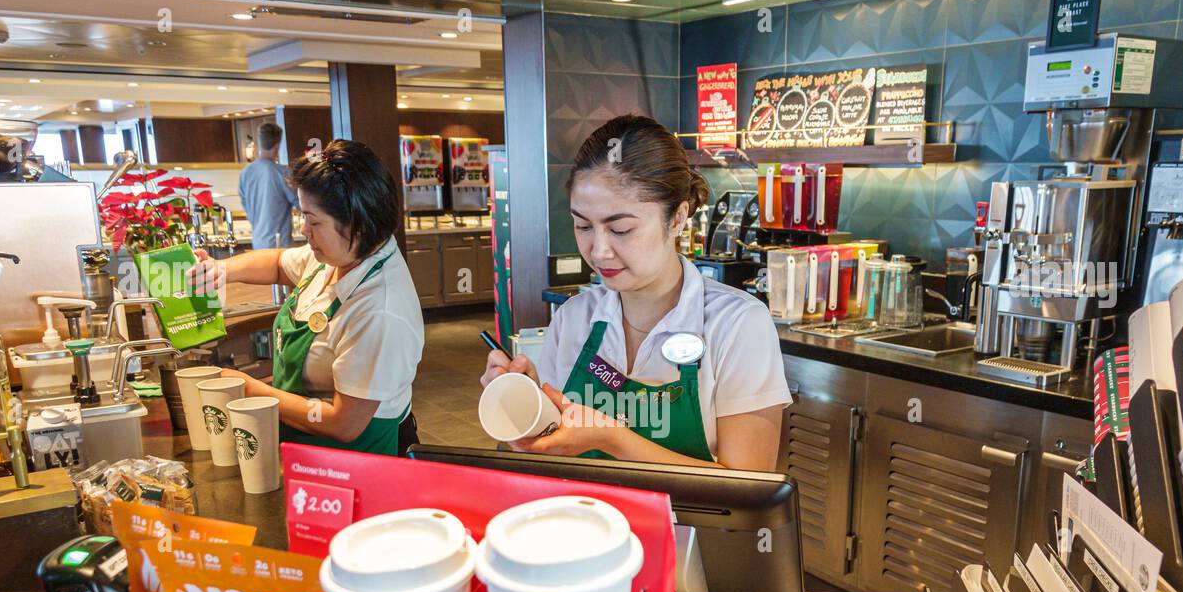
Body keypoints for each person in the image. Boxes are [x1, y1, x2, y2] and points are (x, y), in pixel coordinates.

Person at [480, 114, 791, 471]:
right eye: (582, 225)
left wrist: (611, 438)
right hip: (588, 522)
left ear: (677, 217)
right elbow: (546, 451)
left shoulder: (736, 324)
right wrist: (528, 406)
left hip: (690, 528)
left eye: (622, 229)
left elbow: (747, 489)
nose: (598, 251)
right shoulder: (574, 318)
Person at [191, 139, 423, 455]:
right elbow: (275, 264)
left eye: (313, 221)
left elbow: (344, 424)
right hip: (304, 448)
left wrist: (249, 389)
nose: (304, 229)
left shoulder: (380, 310)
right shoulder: (336, 255)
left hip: (356, 461)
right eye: (303, 215)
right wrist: (219, 270)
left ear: (357, 224)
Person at [237, 123, 299, 250]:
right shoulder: (283, 173)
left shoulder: (245, 174)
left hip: (258, 241)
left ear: (259, 143)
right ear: (277, 146)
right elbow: (301, 202)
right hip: (279, 244)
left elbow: (245, 205)